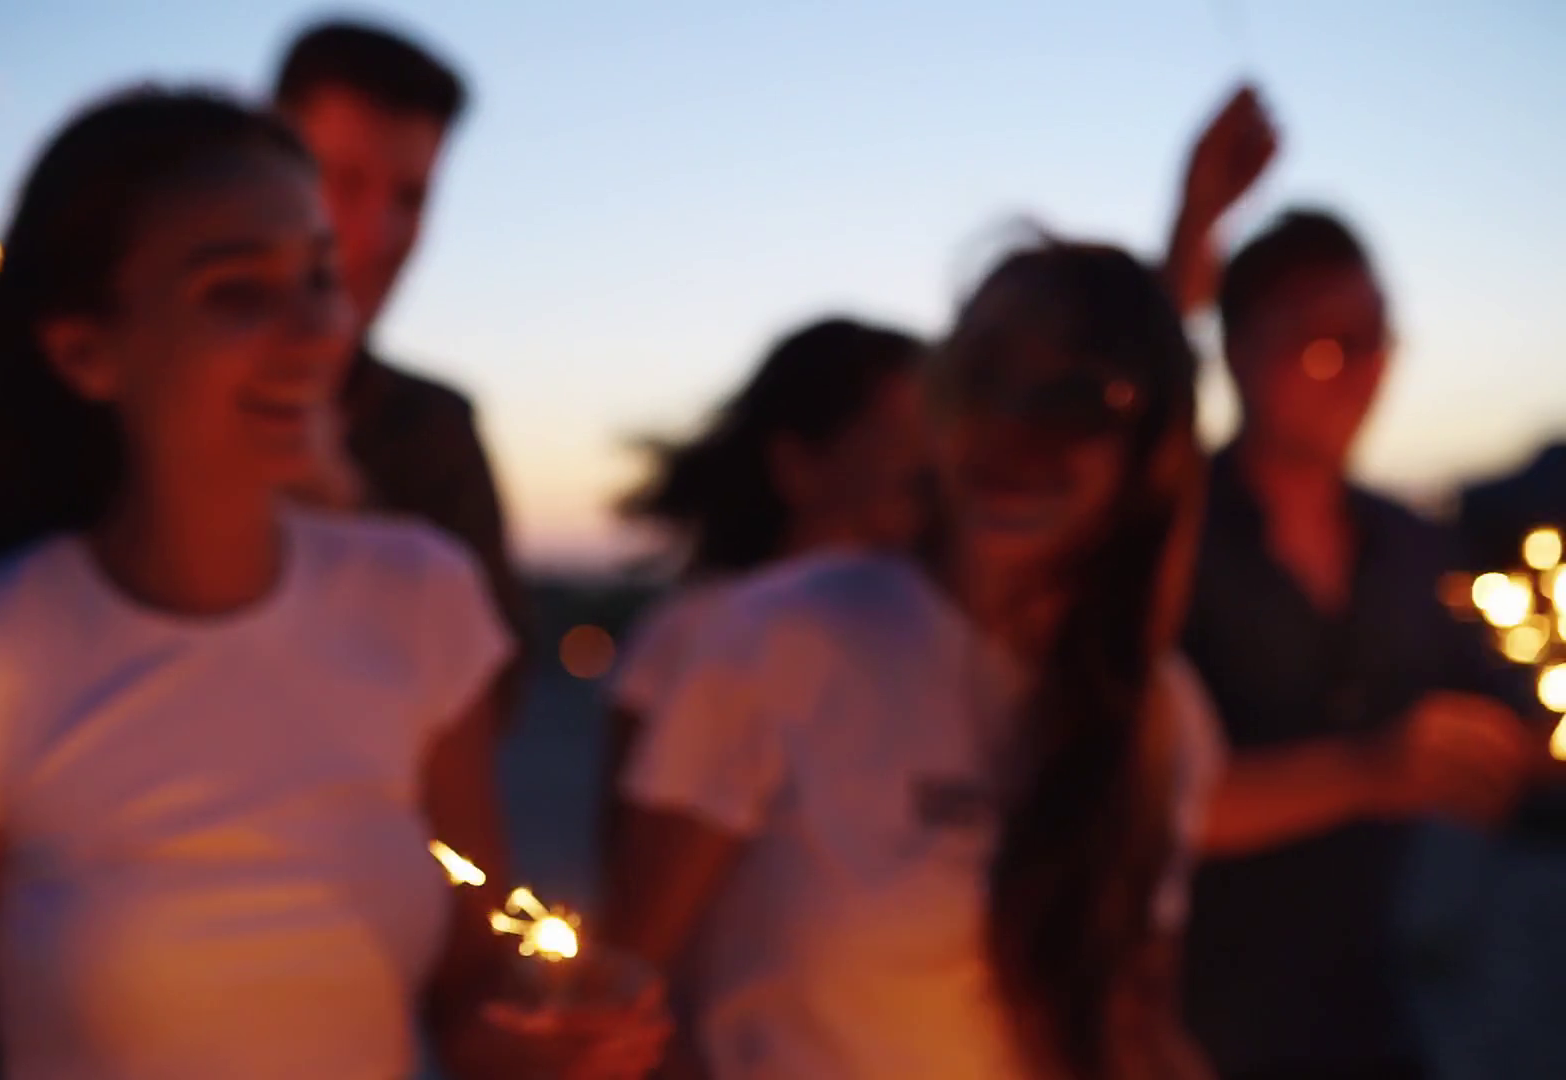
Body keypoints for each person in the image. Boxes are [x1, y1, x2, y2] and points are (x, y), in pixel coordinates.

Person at [0, 88, 662, 1080]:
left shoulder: (422, 598)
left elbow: (465, 991)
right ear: (87, 352)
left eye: (318, 275)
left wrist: (555, 1046)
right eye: (237, 292)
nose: (316, 331)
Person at [602, 241, 1222, 1079]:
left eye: (1072, 400)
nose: (1012, 435)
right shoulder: (776, 638)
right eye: (982, 379)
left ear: (1151, 447)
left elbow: (1133, 1027)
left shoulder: (1159, 717)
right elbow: (628, 997)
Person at [1178, 208, 1545, 1080]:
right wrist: (1370, 770)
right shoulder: (1172, 550)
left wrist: (1516, 753)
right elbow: (1142, 801)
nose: (1358, 374)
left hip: (1370, 1016)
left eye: (1375, 341)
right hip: (1190, 1029)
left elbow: (1505, 722)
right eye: (1320, 345)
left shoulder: (1411, 547)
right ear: (1237, 351)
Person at [602, 316, 933, 852]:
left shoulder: (929, 635)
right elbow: (636, 876)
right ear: (797, 463)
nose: (932, 469)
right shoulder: (701, 630)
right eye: (902, 442)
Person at [270, 20, 533, 680]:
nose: (376, 235)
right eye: (344, 183)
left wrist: (348, 507)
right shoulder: (126, 394)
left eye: (410, 198)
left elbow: (490, 695)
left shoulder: (435, 433)